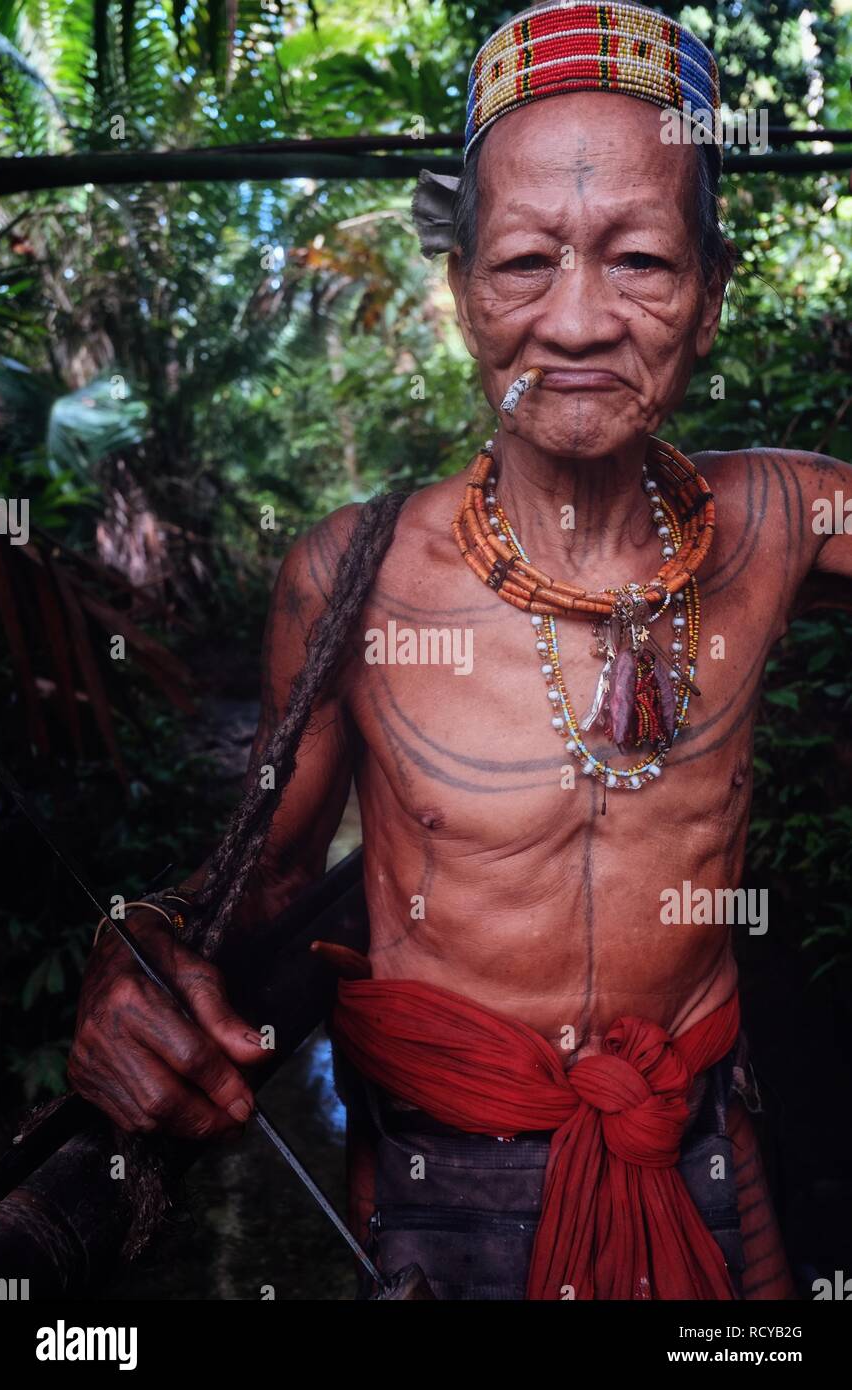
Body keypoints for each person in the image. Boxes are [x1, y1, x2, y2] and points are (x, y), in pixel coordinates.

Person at [68, 2, 851, 1299]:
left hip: (696, 1135)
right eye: (525, 260)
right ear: (462, 297)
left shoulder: (776, 521)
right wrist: (133, 946)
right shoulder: (351, 573)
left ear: (708, 297)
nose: (581, 320)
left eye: (644, 261)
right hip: (447, 1178)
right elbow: (250, 884)